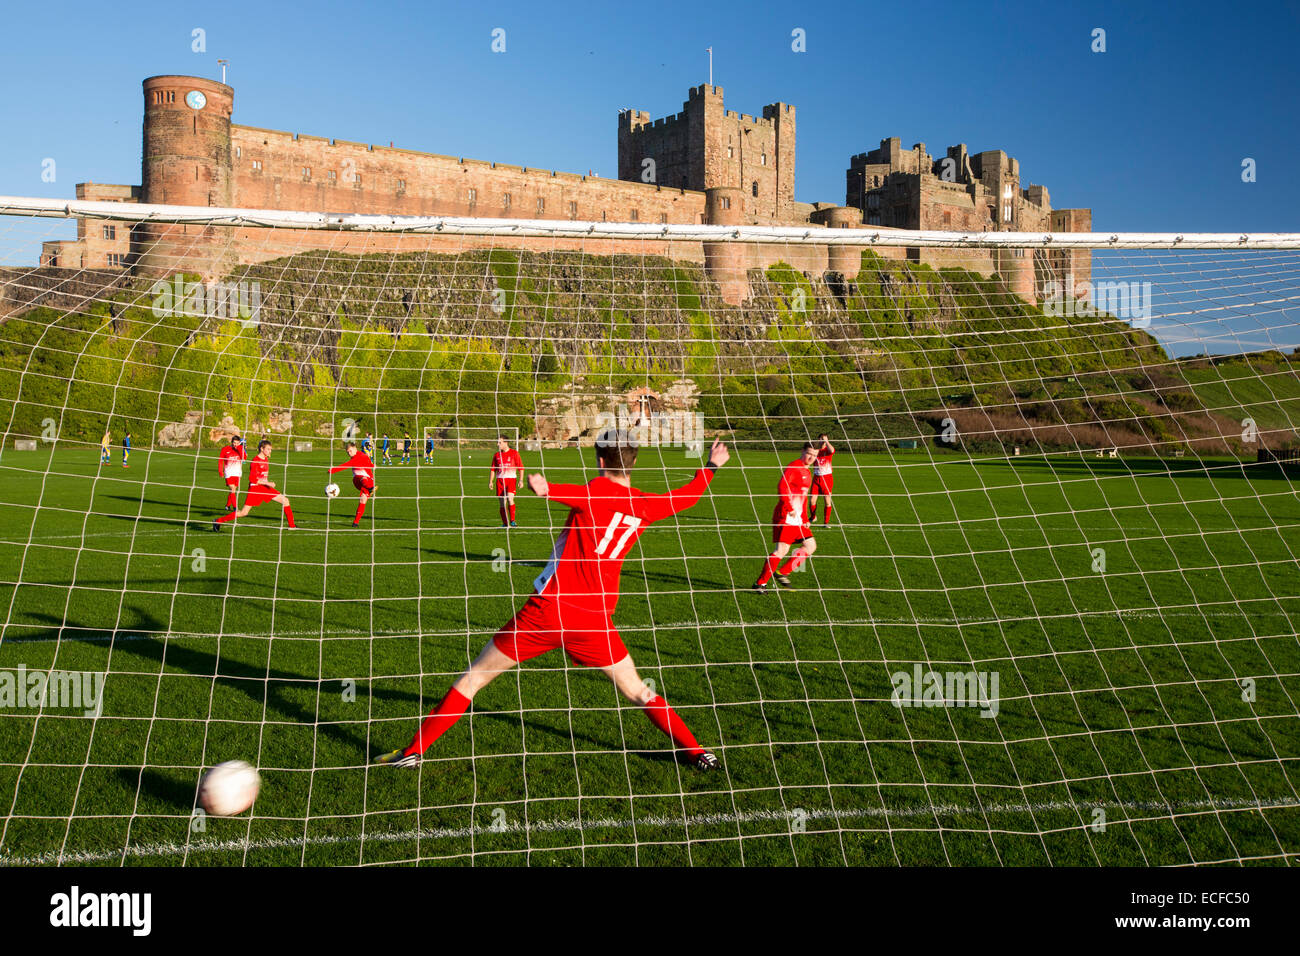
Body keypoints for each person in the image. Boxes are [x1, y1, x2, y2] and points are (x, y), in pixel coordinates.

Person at [376, 430, 730, 771]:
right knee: (638, 690)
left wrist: (547, 490)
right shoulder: (645, 505)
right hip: (595, 620)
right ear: (634, 461)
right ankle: (697, 751)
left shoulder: (595, 490)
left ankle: (413, 752)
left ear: (599, 457)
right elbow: (689, 496)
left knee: (474, 678)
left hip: (548, 612)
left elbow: (580, 497)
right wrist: (711, 467)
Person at [753, 442, 819, 592]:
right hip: (786, 516)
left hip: (797, 519)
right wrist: (789, 508)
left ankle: (782, 572)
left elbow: (802, 498)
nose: (811, 457)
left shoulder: (808, 472)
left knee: (810, 546)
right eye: (809, 453)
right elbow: (782, 487)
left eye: (814, 455)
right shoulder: (794, 466)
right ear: (802, 451)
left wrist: (804, 519)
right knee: (781, 551)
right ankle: (760, 583)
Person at [212, 439, 296, 530]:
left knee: (285, 500)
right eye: (268, 449)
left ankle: (292, 526)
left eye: (270, 449)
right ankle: (218, 521)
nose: (270, 451)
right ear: (261, 449)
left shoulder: (266, 459)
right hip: (255, 489)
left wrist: (267, 484)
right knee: (243, 513)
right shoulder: (255, 460)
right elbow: (252, 479)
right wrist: (268, 483)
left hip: (264, 488)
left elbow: (263, 476)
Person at [328, 440, 376, 527]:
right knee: (360, 478)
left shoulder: (360, 456)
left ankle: (355, 522)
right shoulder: (357, 457)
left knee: (363, 500)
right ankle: (370, 488)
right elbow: (369, 464)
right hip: (358, 481)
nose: (349, 453)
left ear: (355, 448)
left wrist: (332, 470)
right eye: (347, 452)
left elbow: (346, 465)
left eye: (350, 451)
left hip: (368, 480)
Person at [490, 435, 523, 527]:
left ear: (506, 443)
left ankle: (512, 521)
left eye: (500, 442)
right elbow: (493, 469)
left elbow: (521, 468)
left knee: (509, 498)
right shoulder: (496, 455)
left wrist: (521, 480)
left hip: (511, 479)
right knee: (502, 503)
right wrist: (490, 481)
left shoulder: (514, 453)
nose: (498, 444)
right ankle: (505, 523)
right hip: (500, 480)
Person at [808, 433, 836, 526]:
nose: (822, 441)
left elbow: (832, 450)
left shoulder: (827, 450)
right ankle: (813, 517)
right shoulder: (815, 451)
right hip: (816, 477)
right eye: (821, 439)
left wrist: (826, 441)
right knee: (812, 500)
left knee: (827, 501)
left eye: (823, 439)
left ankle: (826, 522)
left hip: (827, 478)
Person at [217, 435, 247, 512]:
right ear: (231, 442)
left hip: (237, 473)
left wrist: (239, 448)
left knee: (233, 491)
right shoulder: (225, 449)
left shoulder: (240, 449)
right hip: (228, 472)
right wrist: (220, 471)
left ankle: (227, 506)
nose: (235, 444)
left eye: (237, 443)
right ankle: (235, 508)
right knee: (232, 489)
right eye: (234, 442)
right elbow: (220, 460)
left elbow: (244, 458)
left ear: (239, 443)